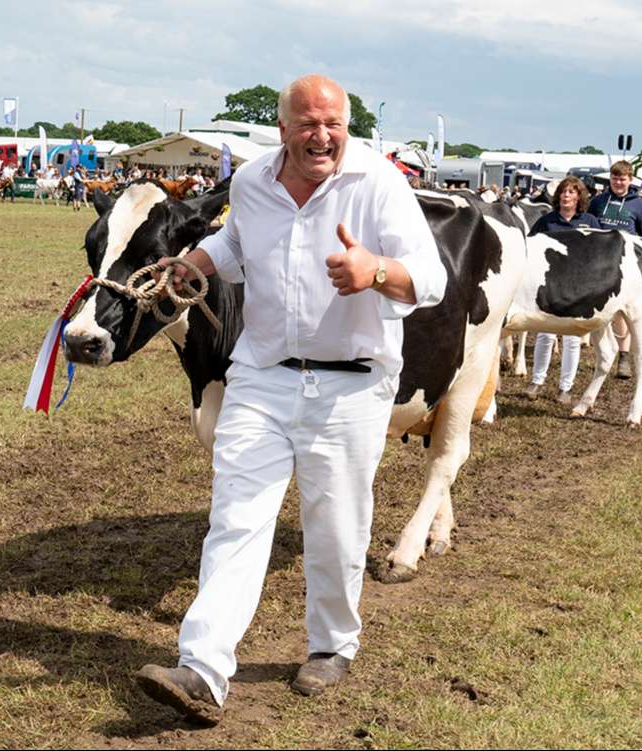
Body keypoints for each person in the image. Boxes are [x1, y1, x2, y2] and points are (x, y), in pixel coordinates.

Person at [134, 74, 447, 725]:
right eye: (307, 123)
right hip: (262, 375)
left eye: (332, 122)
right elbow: (240, 241)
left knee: (335, 528)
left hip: (352, 384)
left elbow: (433, 277)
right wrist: (196, 261)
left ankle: (332, 643)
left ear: (347, 125)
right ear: (282, 129)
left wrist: (376, 272)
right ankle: (202, 667)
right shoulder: (251, 183)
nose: (321, 135)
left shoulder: (378, 183)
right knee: (237, 518)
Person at [524, 175, 601, 402]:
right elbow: (530, 246)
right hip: (549, 285)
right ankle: (536, 381)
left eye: (571, 192)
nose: (567, 196)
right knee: (544, 333)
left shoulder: (589, 221)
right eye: (563, 192)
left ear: (579, 196)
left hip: (578, 287)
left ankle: (565, 387)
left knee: (572, 338)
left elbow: (599, 252)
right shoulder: (547, 221)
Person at [588, 160, 642, 379]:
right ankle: (600, 350)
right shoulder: (598, 201)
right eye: (615, 178)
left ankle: (624, 356)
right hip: (598, 261)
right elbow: (588, 225)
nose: (618, 182)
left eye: (622, 179)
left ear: (630, 180)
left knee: (622, 313)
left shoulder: (638, 205)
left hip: (627, 265)